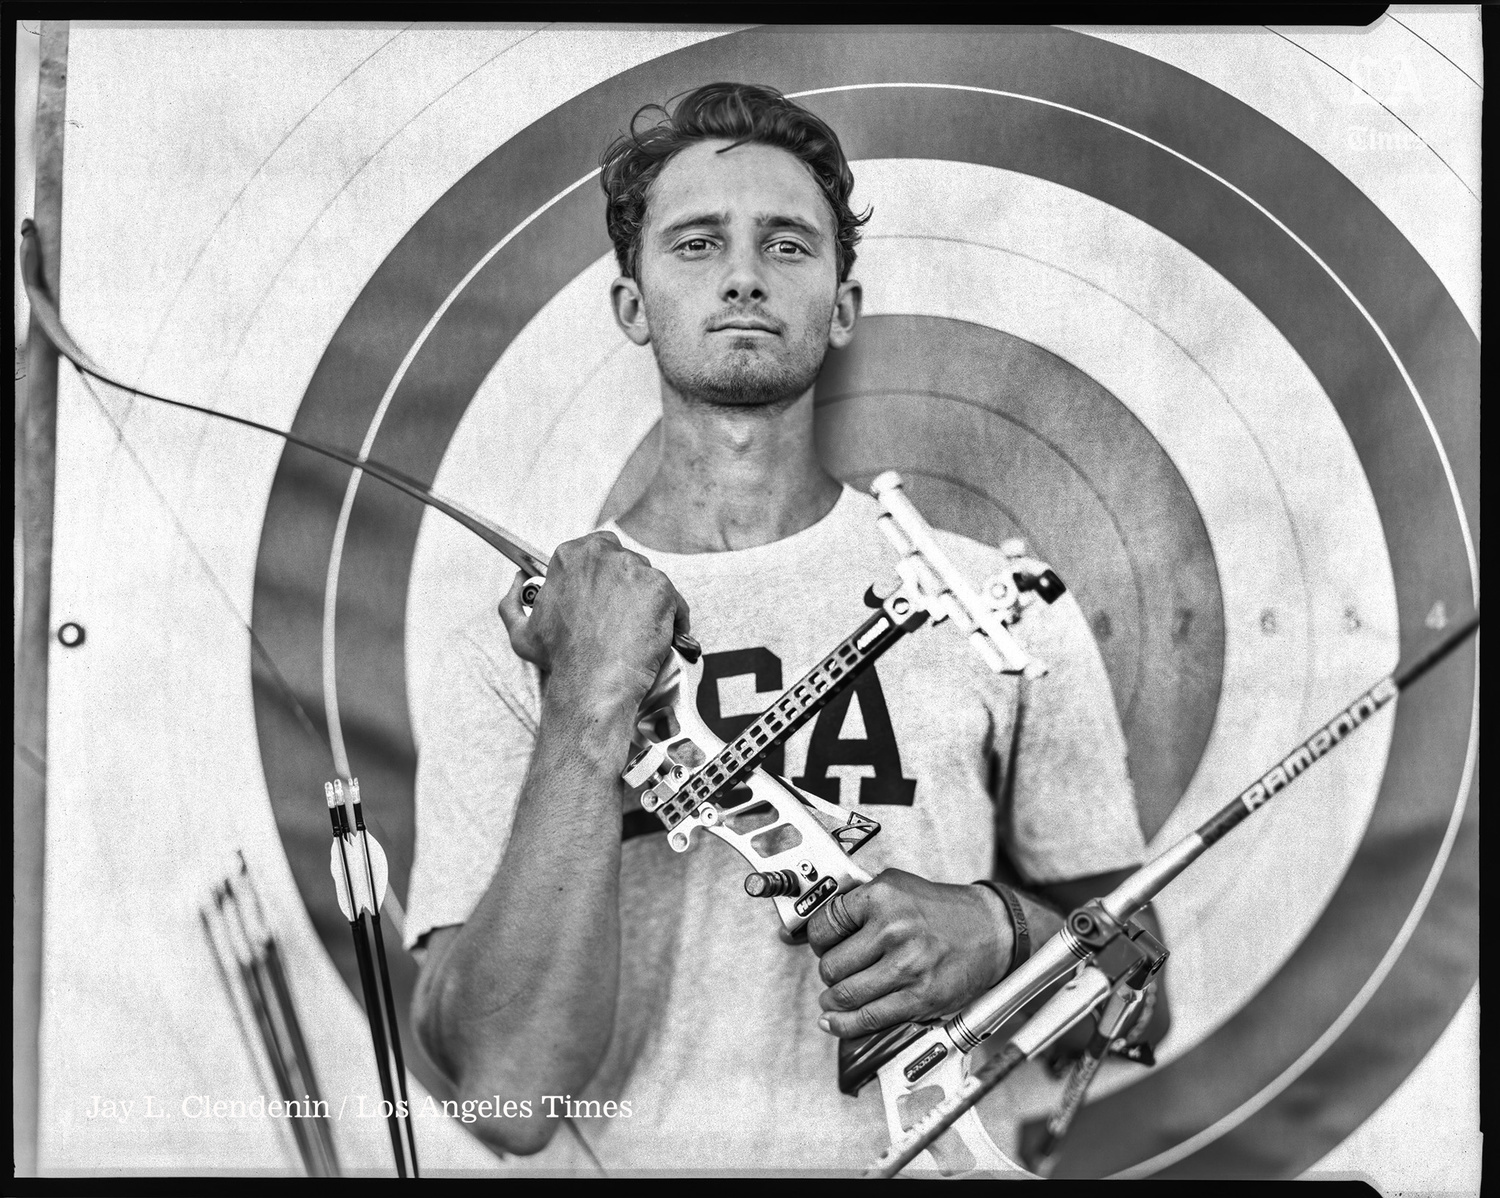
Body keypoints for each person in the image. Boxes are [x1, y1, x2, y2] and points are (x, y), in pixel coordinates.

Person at [405, 82, 1157, 1173]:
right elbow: (510, 1098)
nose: (745, 275)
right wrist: (588, 700)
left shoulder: (988, 597)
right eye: (698, 243)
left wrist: (1005, 932)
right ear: (632, 303)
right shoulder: (523, 643)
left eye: (789, 245)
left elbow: (1140, 998)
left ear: (842, 306)